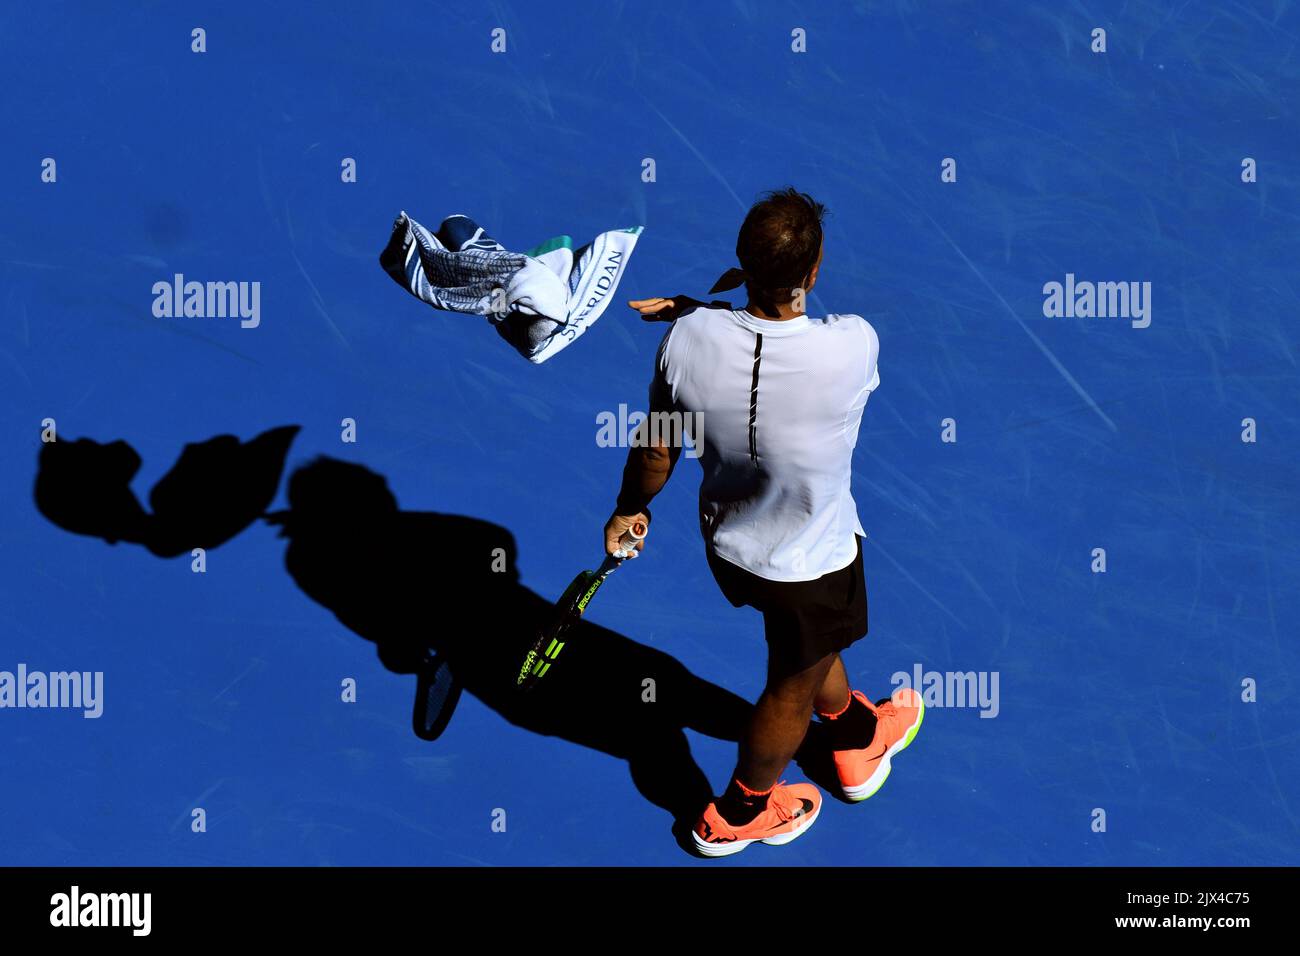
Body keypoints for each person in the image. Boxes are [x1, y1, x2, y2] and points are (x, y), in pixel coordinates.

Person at [604, 188, 924, 857]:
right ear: (812, 273)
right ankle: (742, 810)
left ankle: (853, 734)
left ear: (740, 262)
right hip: (811, 559)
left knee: (807, 645)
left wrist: (630, 510)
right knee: (789, 680)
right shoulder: (854, 346)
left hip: (730, 546)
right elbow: (787, 344)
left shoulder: (686, 340)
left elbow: (658, 446)